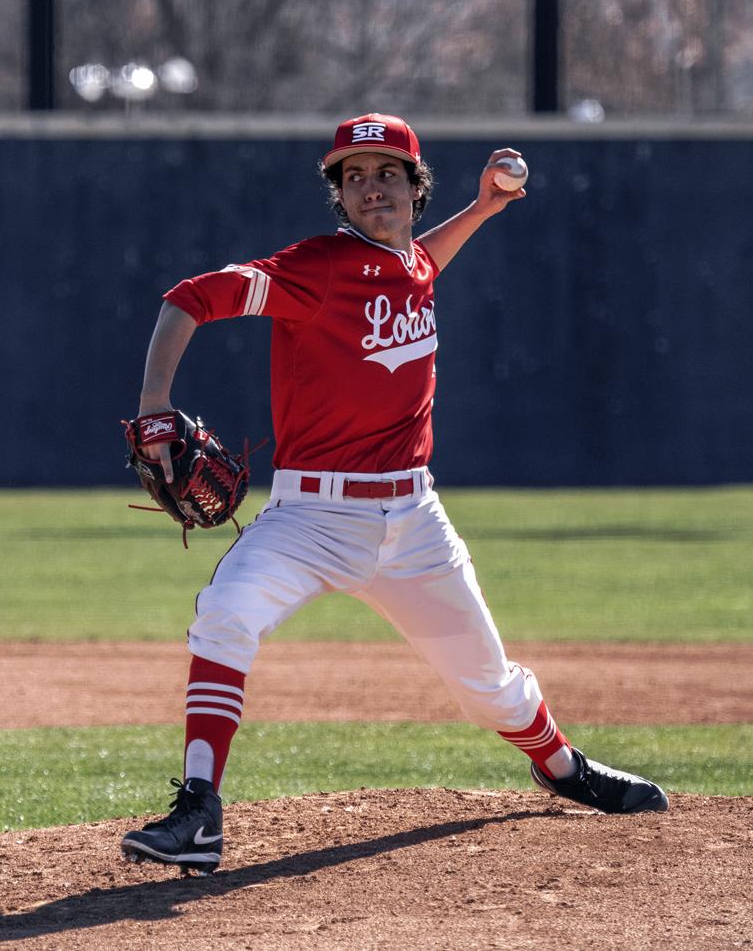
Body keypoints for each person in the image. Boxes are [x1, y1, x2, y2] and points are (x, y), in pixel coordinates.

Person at [119, 113, 667, 877]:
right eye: (354, 177)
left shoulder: (409, 262)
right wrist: (154, 406)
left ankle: (561, 766)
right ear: (340, 197)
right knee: (226, 613)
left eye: (386, 173)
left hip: (414, 522)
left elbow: (420, 264)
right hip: (312, 517)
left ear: (415, 186)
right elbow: (189, 299)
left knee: (489, 687)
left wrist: (483, 208)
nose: (370, 187)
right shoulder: (316, 268)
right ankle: (199, 810)